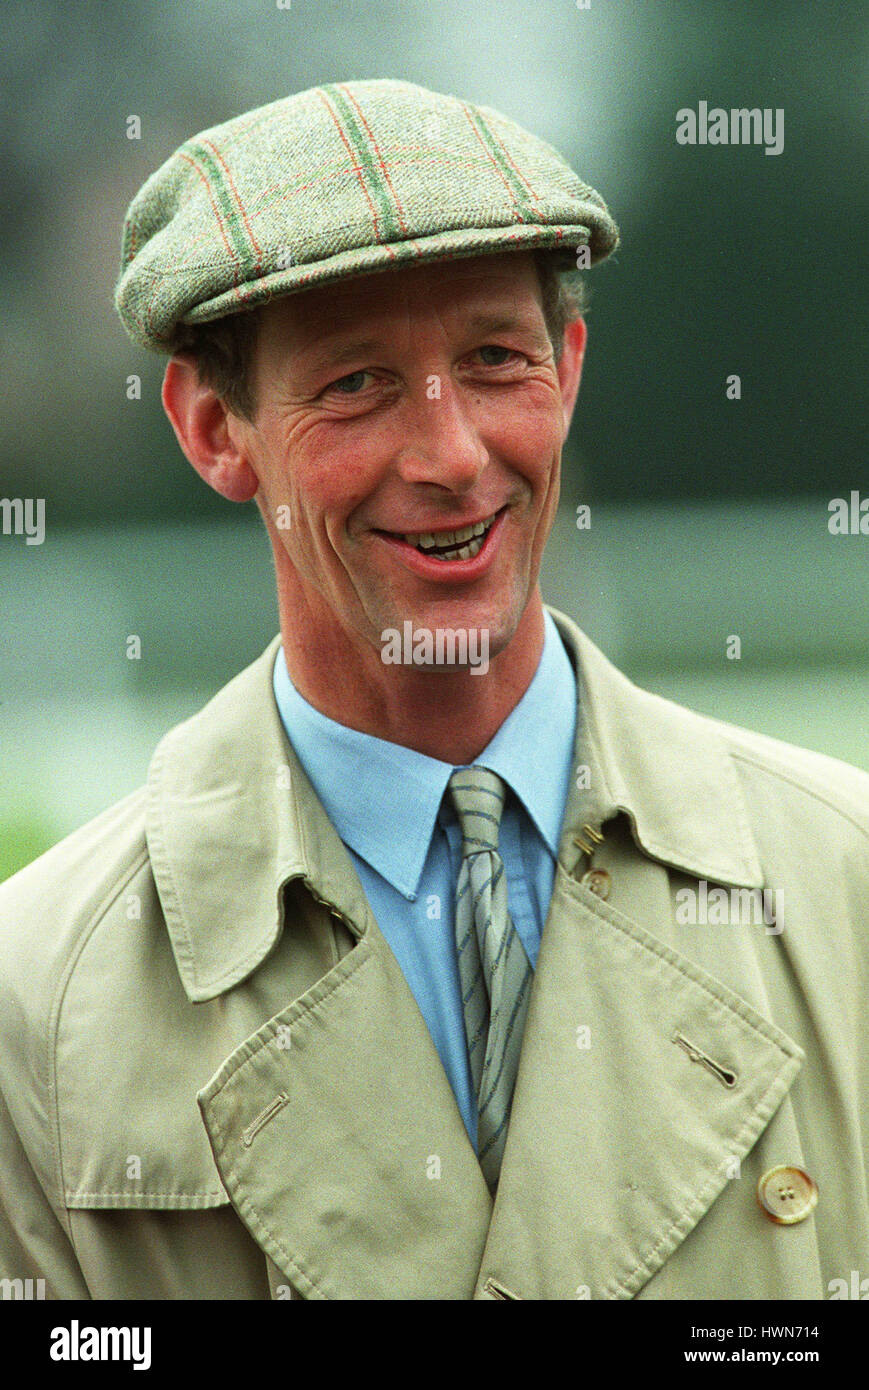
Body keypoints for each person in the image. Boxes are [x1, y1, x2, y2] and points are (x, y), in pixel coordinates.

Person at [0, 78, 866, 1302]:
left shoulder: (843, 885)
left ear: (566, 367)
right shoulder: (36, 1000)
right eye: (355, 382)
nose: (453, 455)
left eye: (494, 358)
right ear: (212, 428)